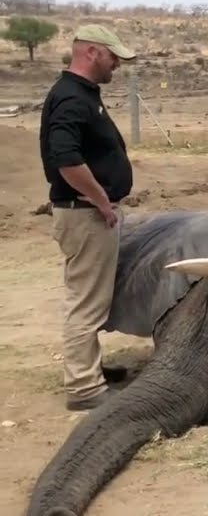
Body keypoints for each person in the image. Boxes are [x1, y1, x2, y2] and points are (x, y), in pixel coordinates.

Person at [39, 24, 137, 411]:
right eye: (113, 56)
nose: (117, 63)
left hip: (85, 211)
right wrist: (101, 201)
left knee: (91, 296)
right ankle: (83, 388)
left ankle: (89, 368)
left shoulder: (81, 94)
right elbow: (66, 159)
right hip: (85, 214)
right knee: (86, 302)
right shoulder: (72, 98)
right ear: (93, 52)